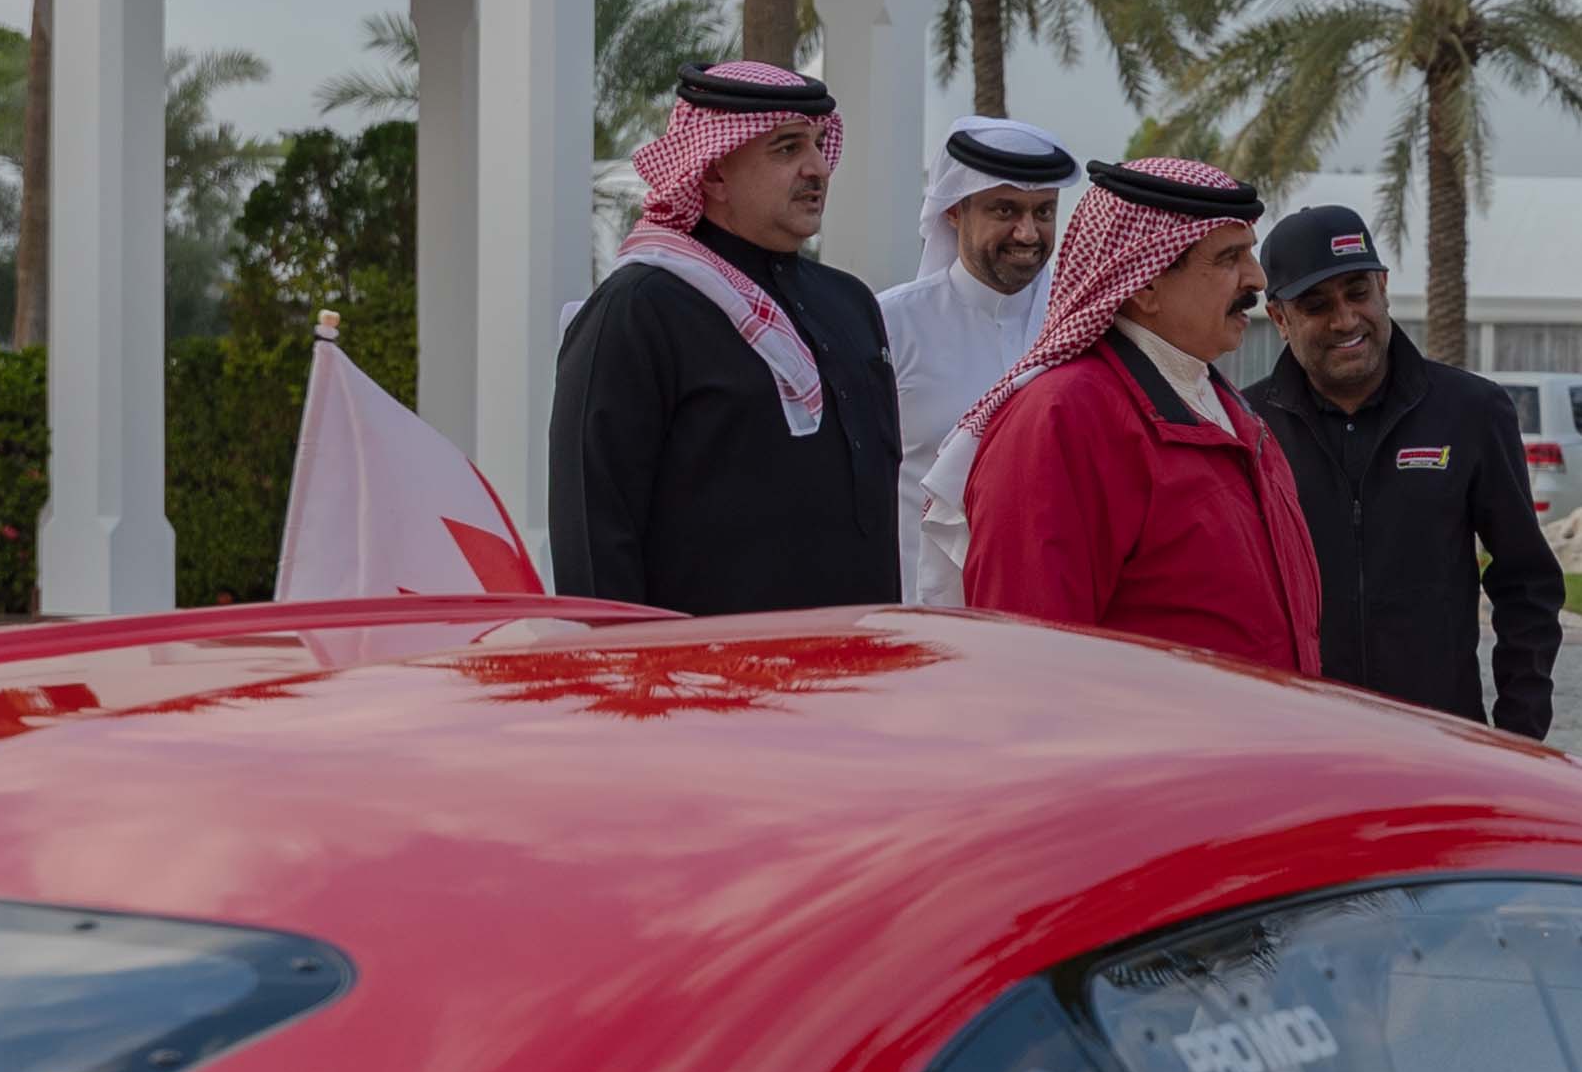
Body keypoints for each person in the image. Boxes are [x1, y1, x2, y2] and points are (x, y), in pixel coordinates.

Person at [931, 154, 1324, 676]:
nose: (1255, 277)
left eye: (1250, 254)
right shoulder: (1062, 420)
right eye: (1229, 258)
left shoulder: (1224, 405)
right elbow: (1028, 667)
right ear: (1144, 284)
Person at [549, 62, 901, 616]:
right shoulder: (637, 310)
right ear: (712, 174)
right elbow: (595, 534)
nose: (817, 168)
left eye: (817, 144)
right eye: (787, 150)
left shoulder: (852, 304)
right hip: (706, 684)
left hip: (854, 676)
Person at [1241, 204, 1565, 738]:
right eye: (1316, 305)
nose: (1345, 319)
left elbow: (1526, 582)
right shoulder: (1247, 428)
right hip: (1296, 748)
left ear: (1384, 287)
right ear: (1279, 318)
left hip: (1439, 744)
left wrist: (1518, 733)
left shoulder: (1472, 411)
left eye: (1358, 292)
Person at [879, 116, 1075, 606]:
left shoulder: (1081, 326)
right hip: (919, 618)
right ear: (954, 212)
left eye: (1044, 212)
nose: (1028, 233)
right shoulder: (890, 323)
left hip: (1048, 617)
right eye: (1005, 209)